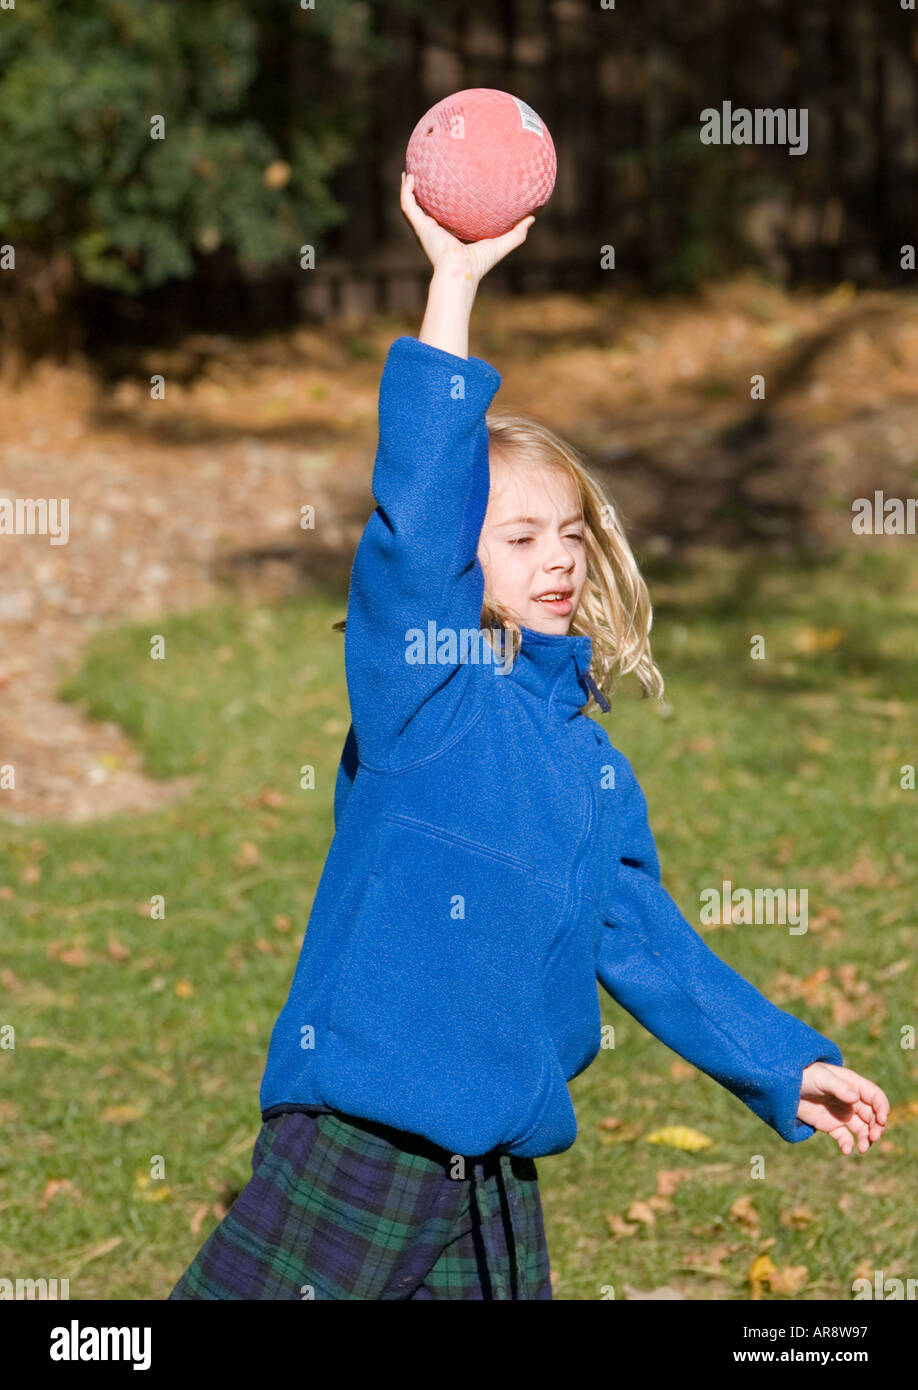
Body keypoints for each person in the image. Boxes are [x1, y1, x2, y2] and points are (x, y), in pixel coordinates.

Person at [168, 173, 888, 1301]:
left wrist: (780, 1061)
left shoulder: (595, 770)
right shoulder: (428, 700)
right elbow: (415, 525)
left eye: (571, 533)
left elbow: (643, 941)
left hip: (492, 1180)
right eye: (518, 536)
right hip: (360, 1144)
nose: (558, 556)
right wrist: (453, 283)